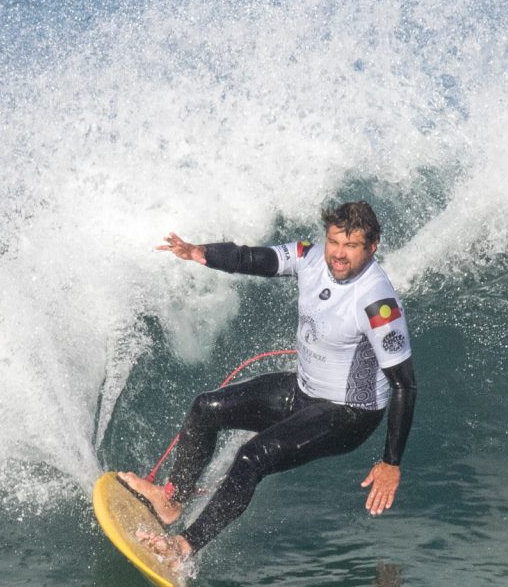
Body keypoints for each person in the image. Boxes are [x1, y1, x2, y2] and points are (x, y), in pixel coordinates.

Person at [119, 199, 417, 565]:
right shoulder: (310, 257)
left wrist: (391, 463)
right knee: (206, 408)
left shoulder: (378, 304)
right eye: (334, 242)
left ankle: (183, 547)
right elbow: (250, 258)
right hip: (304, 391)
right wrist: (200, 252)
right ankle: (172, 501)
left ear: (372, 247)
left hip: (347, 414)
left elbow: (404, 385)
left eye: (351, 246)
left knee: (251, 457)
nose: (338, 254)